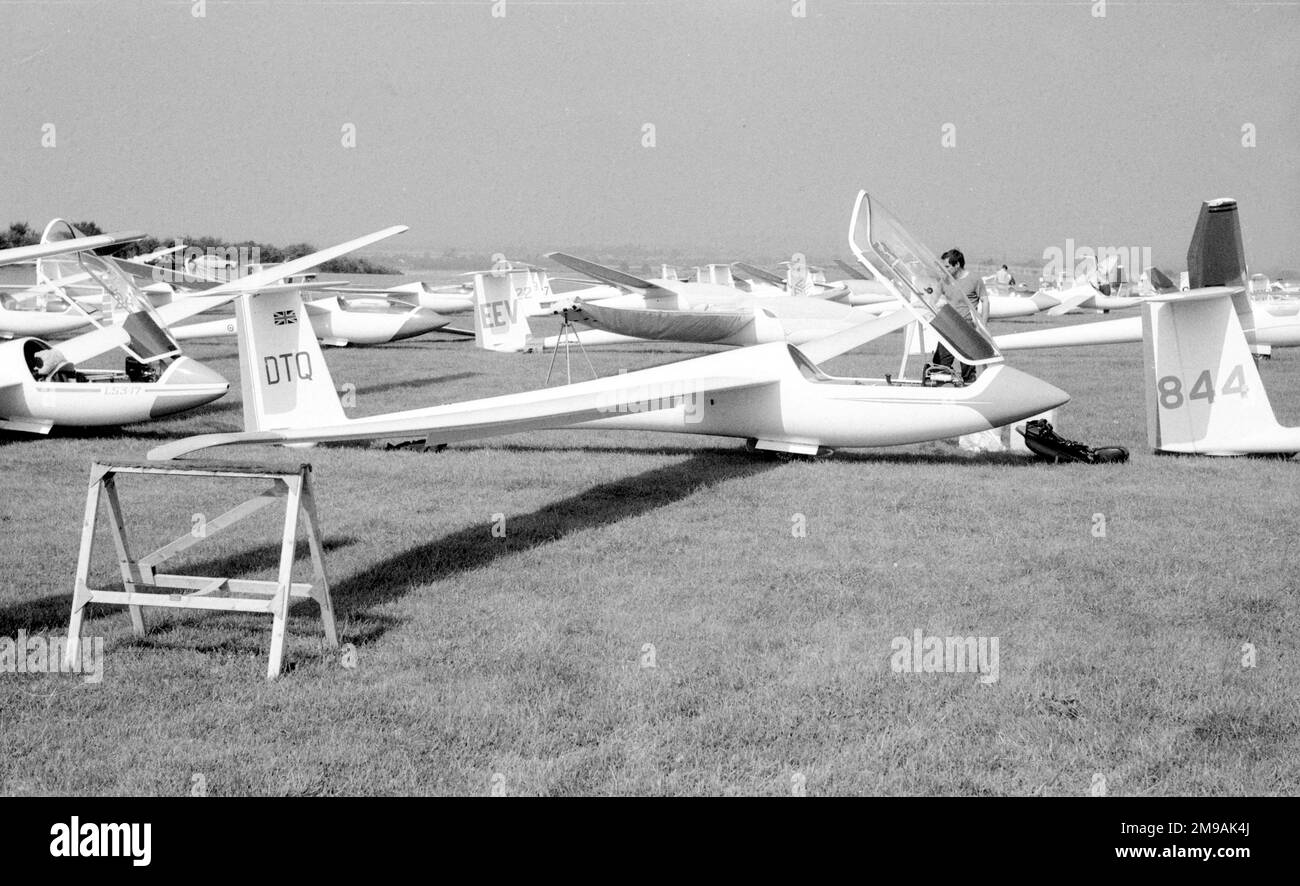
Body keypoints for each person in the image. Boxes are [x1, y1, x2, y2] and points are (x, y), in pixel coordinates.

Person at [930, 248, 987, 385]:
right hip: (948, 327)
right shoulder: (944, 281)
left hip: (967, 328)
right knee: (940, 365)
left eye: (947, 266)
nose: (945, 270)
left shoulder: (974, 280)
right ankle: (938, 390)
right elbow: (933, 299)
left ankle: (968, 387)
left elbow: (985, 301)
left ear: (957, 265)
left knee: (967, 367)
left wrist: (983, 326)